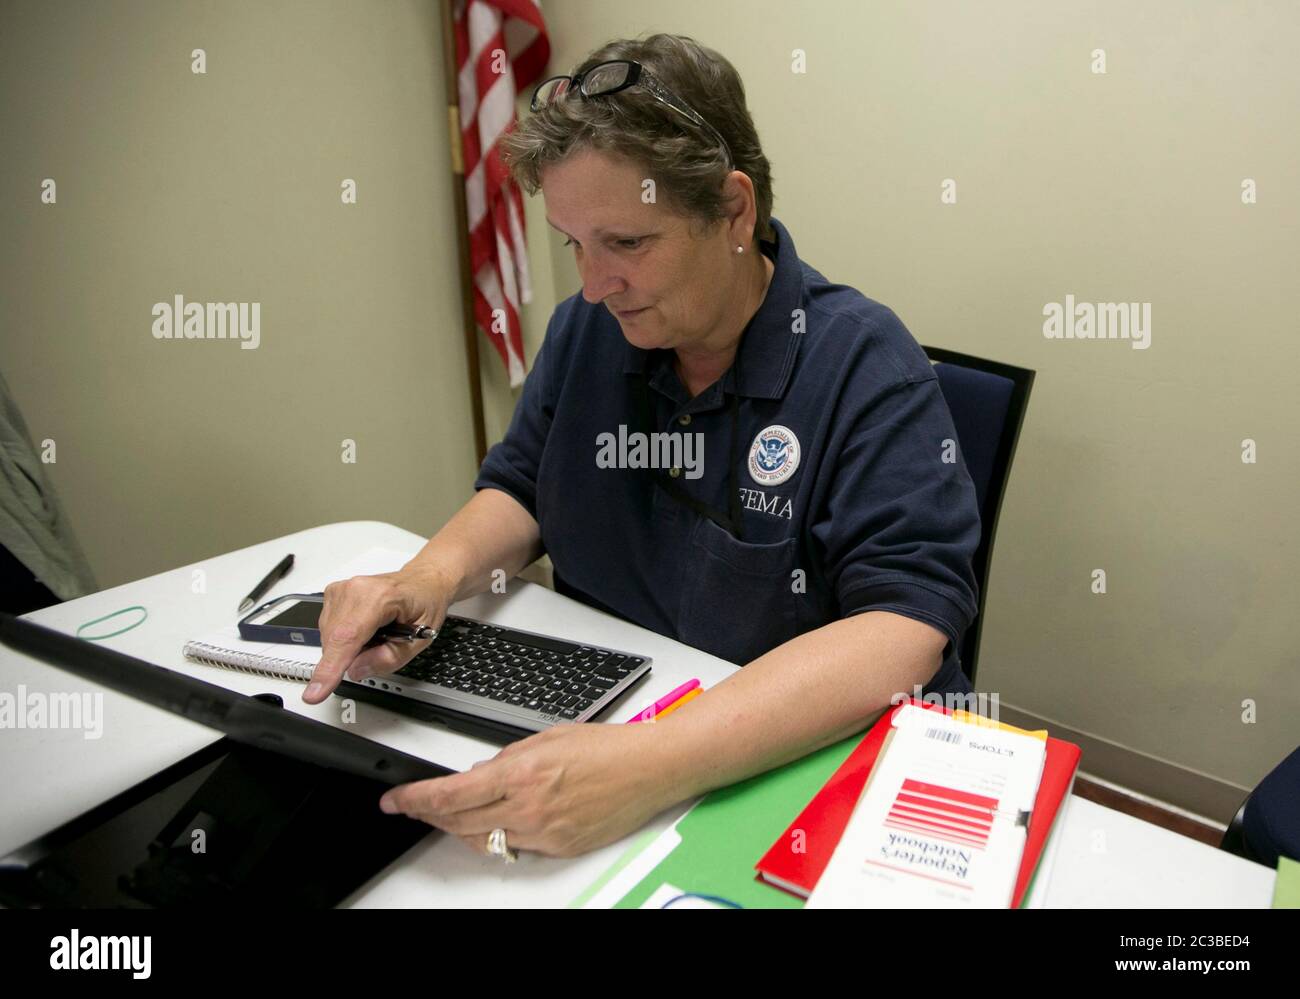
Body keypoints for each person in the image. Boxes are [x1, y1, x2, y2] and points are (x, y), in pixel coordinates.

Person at [303, 33, 981, 862]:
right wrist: (429, 576)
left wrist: (649, 764)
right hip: (620, 722)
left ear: (734, 211)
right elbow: (521, 486)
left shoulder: (864, 365)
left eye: (627, 243)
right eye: (573, 244)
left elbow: (903, 624)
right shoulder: (591, 328)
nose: (592, 284)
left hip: (796, 770)